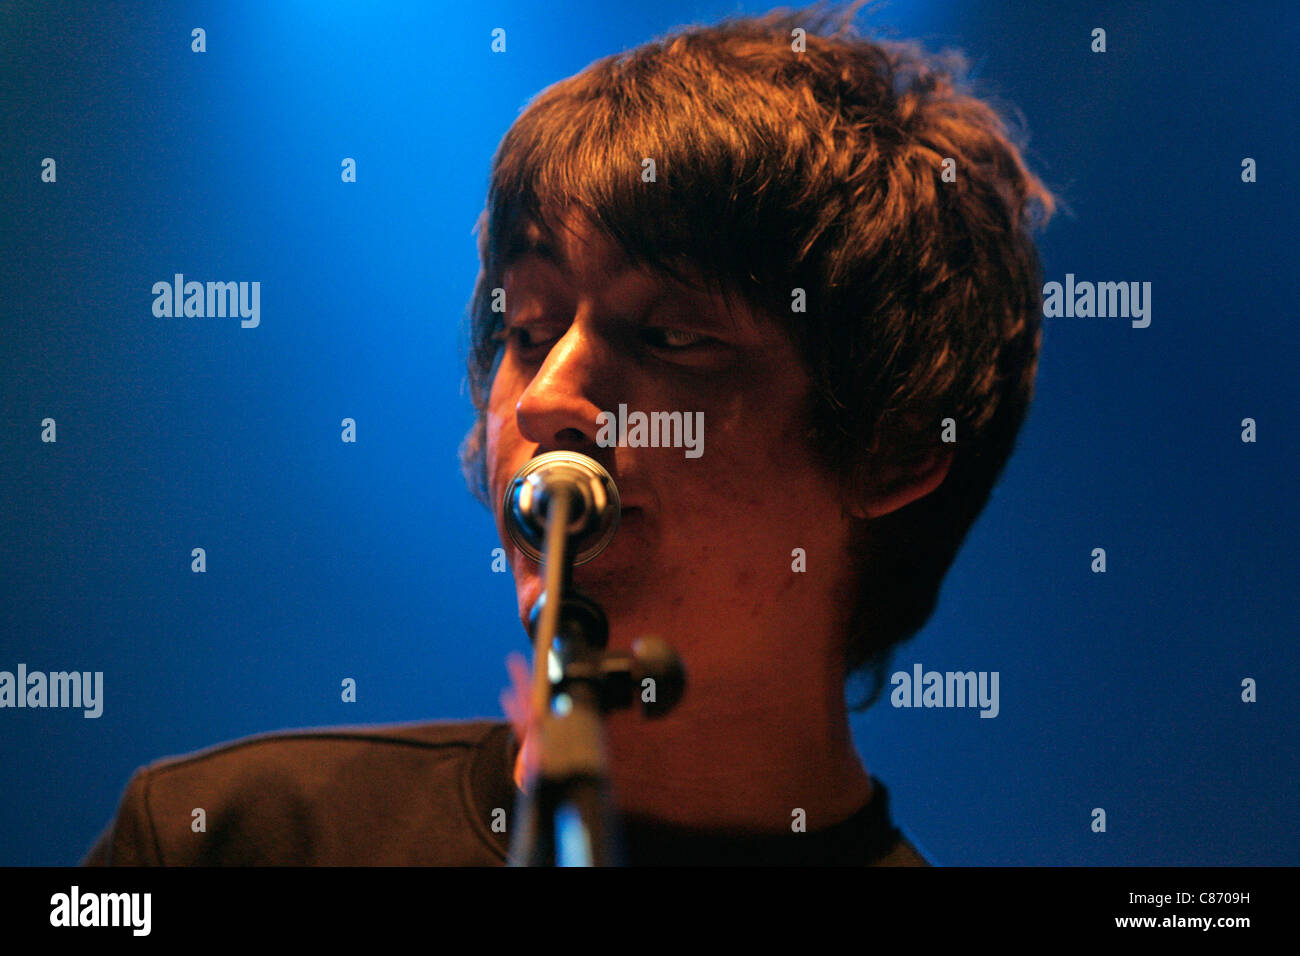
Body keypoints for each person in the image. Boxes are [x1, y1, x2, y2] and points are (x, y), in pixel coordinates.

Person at [82, 1, 1053, 867]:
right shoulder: (228, 836)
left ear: (893, 442)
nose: (544, 399)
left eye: (673, 336)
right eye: (529, 331)